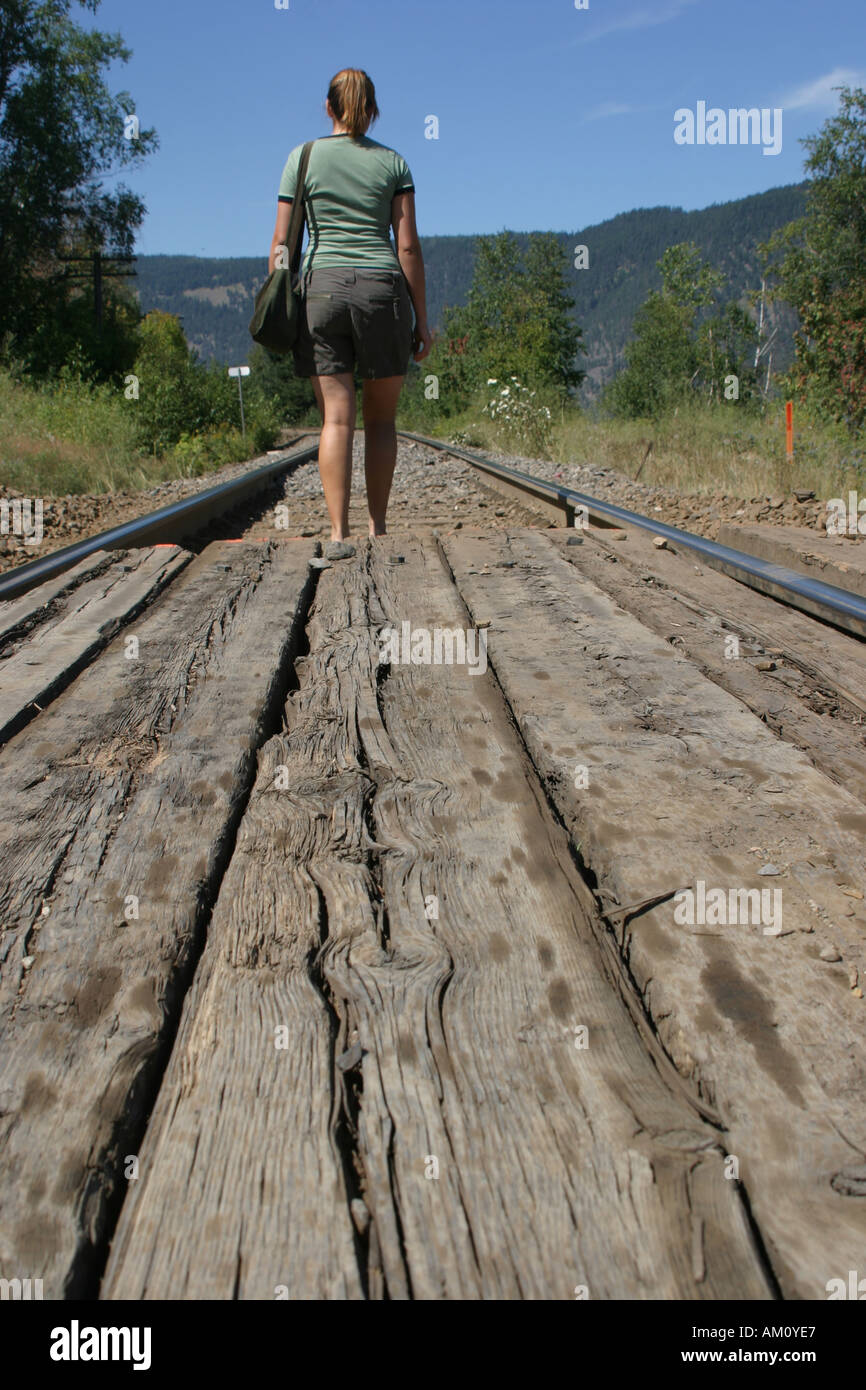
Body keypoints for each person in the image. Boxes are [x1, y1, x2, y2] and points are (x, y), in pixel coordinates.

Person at [269, 68, 432, 560]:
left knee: (336, 420)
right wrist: (421, 318)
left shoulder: (303, 158)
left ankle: (339, 534)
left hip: (322, 289)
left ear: (328, 108)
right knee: (381, 422)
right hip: (382, 291)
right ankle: (377, 530)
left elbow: (281, 244)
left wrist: (282, 288)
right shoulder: (394, 163)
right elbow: (407, 247)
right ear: (373, 109)